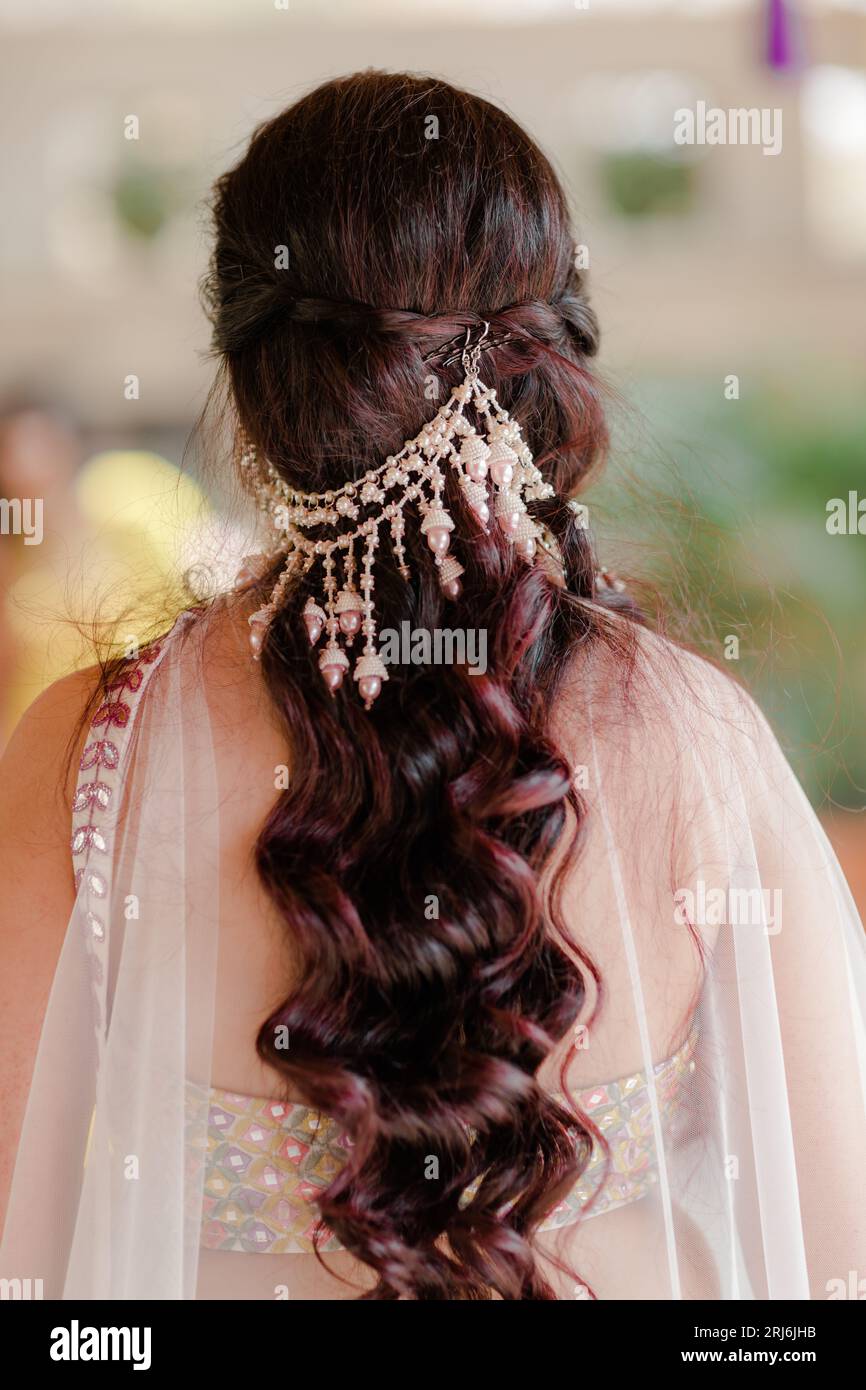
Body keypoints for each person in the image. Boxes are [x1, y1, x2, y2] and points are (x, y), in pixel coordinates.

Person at [2, 71, 865, 1302]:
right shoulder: (693, 739)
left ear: (257, 387)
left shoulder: (87, 753)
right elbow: (831, 1264)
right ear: (545, 366)